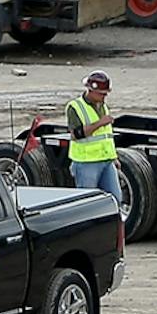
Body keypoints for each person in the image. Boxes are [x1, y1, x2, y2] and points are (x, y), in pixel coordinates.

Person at [65, 70, 122, 210]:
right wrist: (100, 123)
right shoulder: (75, 107)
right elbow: (76, 134)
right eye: (102, 93)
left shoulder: (103, 107)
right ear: (91, 90)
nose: (105, 96)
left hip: (106, 160)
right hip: (86, 163)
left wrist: (114, 157)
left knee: (116, 199)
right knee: (87, 204)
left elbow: (106, 136)